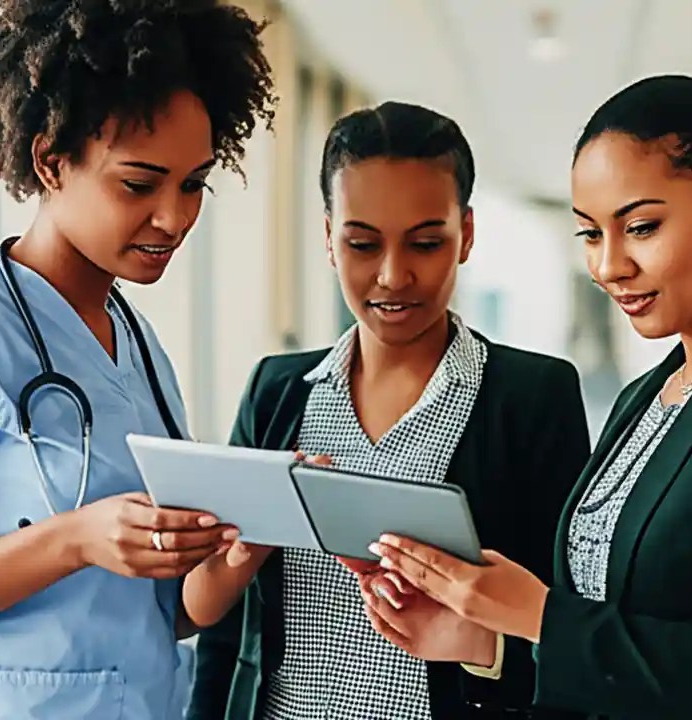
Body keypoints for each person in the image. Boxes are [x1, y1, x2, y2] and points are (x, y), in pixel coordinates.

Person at [361, 59, 692, 720]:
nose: (609, 266)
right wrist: (488, 640)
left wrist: (542, 616)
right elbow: (612, 637)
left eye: (641, 227)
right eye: (590, 233)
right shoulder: (643, 396)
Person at [0, 2, 275, 718]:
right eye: (139, 184)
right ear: (50, 161)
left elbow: (154, 617)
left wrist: (242, 546)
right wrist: (73, 540)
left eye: (193, 183)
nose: (173, 217)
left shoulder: (140, 350)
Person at [183, 101, 592, 719]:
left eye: (426, 243)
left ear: (467, 235)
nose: (393, 276)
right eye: (362, 244)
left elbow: (560, 630)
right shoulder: (278, 390)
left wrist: (479, 641)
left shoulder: (532, 398)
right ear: (328, 238)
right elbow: (226, 631)